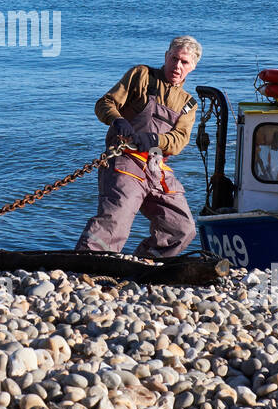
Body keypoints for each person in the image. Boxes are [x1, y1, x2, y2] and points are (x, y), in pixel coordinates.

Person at [75, 36, 201, 258]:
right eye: (174, 59)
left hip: (156, 168)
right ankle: (86, 263)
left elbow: (180, 140)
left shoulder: (188, 104)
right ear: (166, 56)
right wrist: (117, 120)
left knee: (182, 228)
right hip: (125, 160)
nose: (177, 66)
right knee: (116, 219)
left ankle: (146, 263)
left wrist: (155, 140)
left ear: (193, 67)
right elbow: (104, 103)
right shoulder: (142, 75)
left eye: (184, 62)